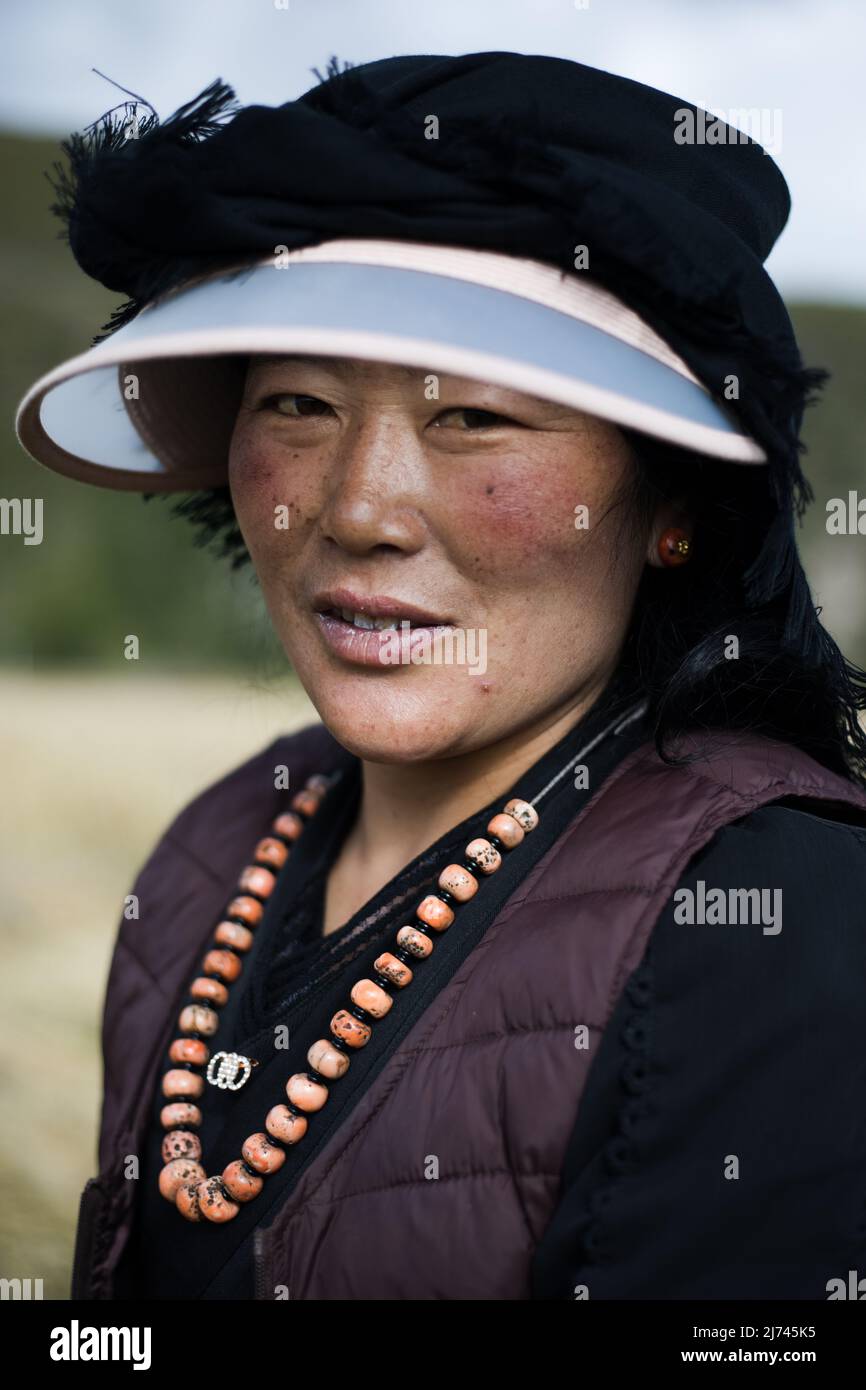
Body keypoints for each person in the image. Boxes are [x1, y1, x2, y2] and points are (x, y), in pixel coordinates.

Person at [16, 52, 866, 1301]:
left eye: (472, 418)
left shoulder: (772, 913)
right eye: (298, 403)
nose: (357, 508)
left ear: (671, 507)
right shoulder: (221, 845)